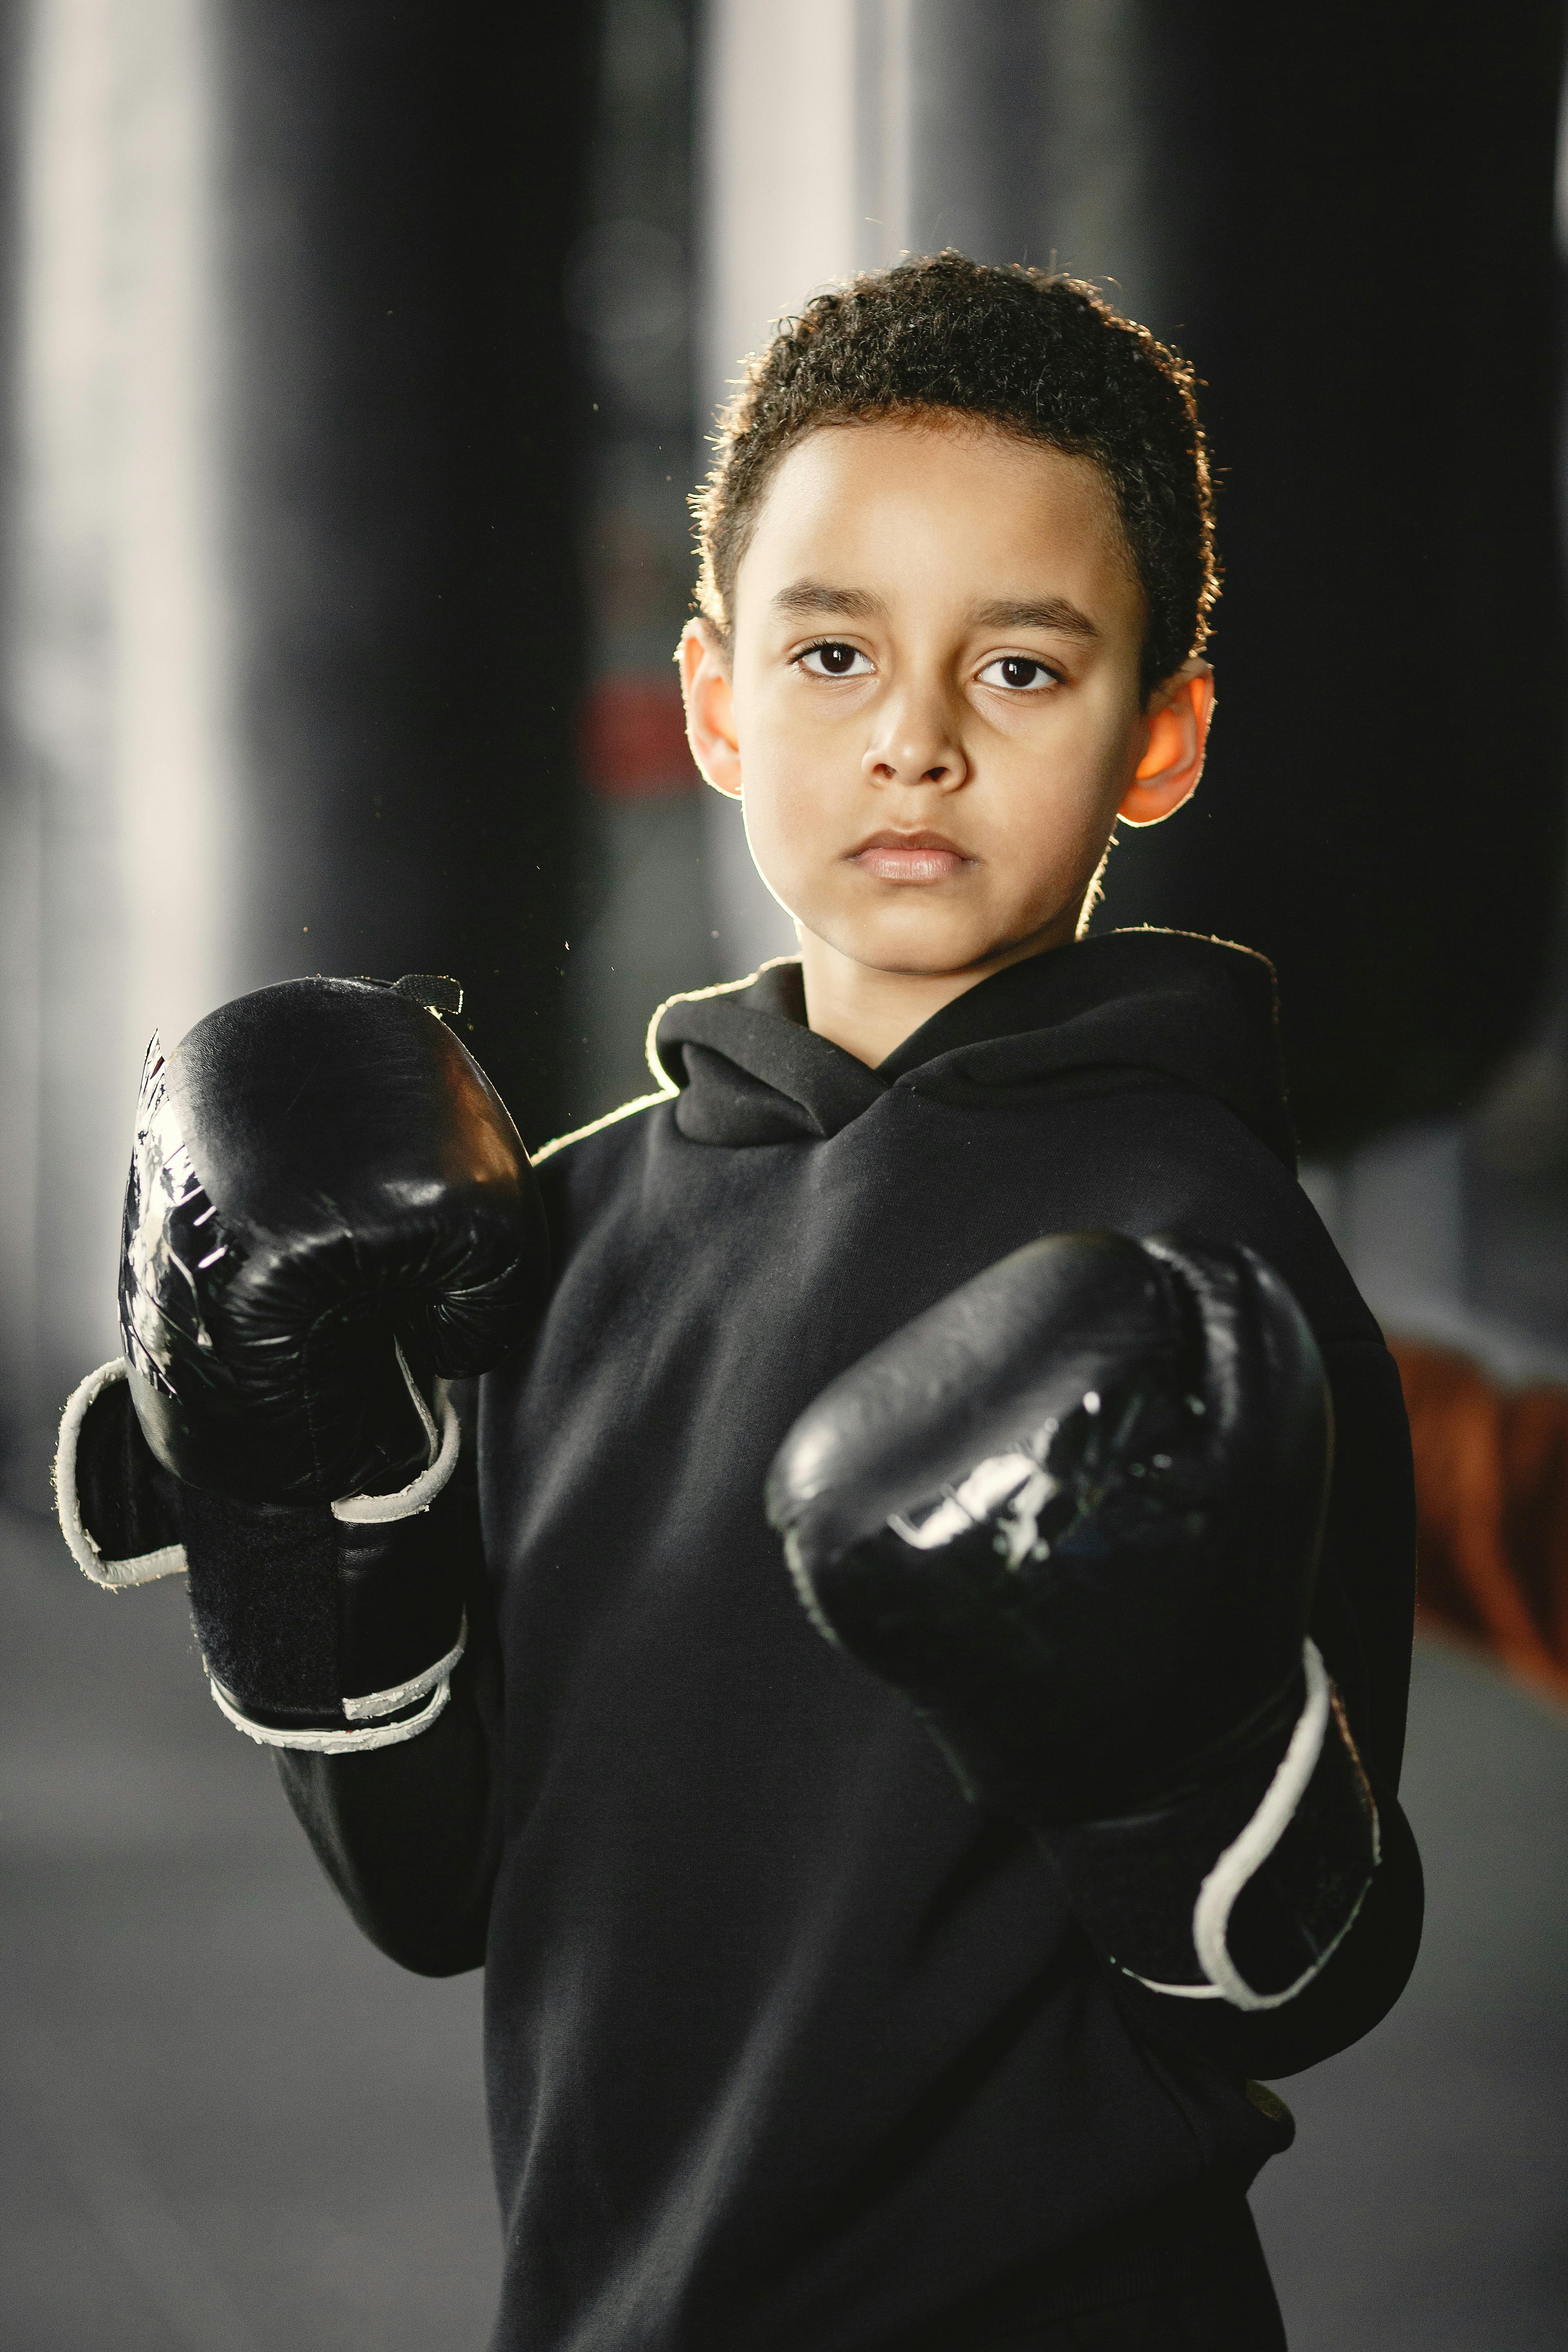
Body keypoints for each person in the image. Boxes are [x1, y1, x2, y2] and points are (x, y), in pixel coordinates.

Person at [57, 255, 1422, 2350]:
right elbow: (430, 1891)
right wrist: (307, 1496)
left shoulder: (1199, 1252)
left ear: (1165, 739)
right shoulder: (568, 1230)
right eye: (834, 650)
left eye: (1028, 673)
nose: (920, 742)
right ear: (713, 697)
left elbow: (1294, 1983)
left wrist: (1175, 1727)